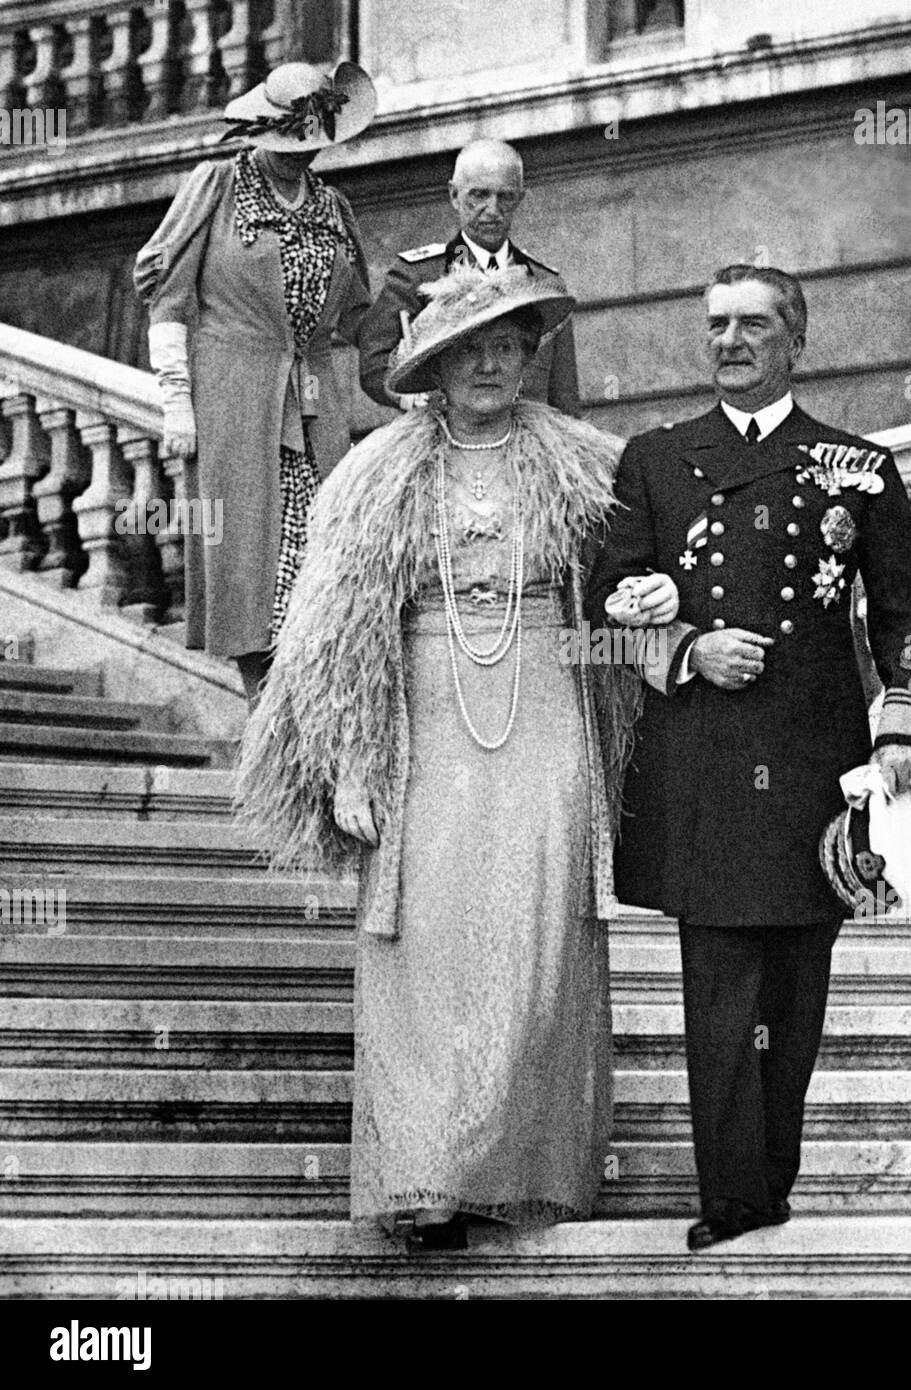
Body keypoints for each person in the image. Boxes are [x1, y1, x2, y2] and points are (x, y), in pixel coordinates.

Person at [237, 265, 676, 1249]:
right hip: (423, 713)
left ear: (531, 357)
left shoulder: (590, 466)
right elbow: (328, 632)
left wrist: (646, 606)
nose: (489, 363)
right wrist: (350, 756)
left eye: (508, 345)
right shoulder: (375, 476)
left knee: (534, 936)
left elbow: (640, 578)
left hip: (543, 703)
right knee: (426, 939)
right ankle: (427, 1174)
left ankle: (519, 1169)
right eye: (466, 349)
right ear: (432, 366)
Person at [586, 263, 911, 1252]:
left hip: (811, 756)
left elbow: (906, 606)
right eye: (715, 326)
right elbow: (599, 610)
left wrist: (904, 720)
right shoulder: (653, 459)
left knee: (794, 981)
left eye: (751, 325)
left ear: (795, 340)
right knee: (719, 979)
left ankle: (766, 1178)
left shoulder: (854, 466)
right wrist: (691, 649)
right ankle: (734, 1195)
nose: (729, 341)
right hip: (701, 752)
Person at [133, 61, 375, 705]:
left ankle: (306, 726)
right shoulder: (215, 185)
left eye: (313, 142)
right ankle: (263, 720)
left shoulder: (333, 206)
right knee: (249, 573)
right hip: (233, 403)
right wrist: (176, 402)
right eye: (290, 141)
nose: (302, 155)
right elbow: (168, 300)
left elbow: (359, 318)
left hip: (317, 409)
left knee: (321, 570)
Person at [357, 138, 581, 415]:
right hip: (448, 436)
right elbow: (374, 364)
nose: (492, 209)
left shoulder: (543, 284)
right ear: (454, 196)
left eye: (506, 197)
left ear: (521, 198)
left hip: (530, 443)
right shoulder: (418, 275)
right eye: (479, 195)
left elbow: (565, 396)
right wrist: (410, 399)